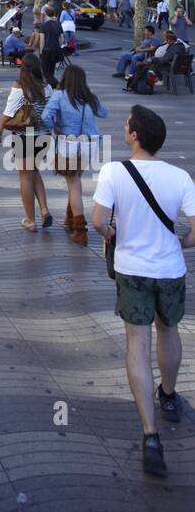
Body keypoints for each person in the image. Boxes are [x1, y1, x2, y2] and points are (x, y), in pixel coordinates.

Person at [91, 105, 195, 479]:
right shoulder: (180, 177)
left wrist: (111, 235)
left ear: (135, 135)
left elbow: (98, 221)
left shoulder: (113, 172)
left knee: (137, 342)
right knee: (168, 331)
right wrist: (182, 242)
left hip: (132, 269)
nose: (124, 129)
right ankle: (169, 394)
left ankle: (150, 435)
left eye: (126, 126)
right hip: (170, 269)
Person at [42, 64, 109, 245]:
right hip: (90, 145)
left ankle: (80, 229)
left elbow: (45, 116)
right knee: (76, 181)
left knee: (74, 185)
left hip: (69, 144)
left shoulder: (59, 95)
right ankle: (70, 218)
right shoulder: (89, 97)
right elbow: (104, 113)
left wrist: (55, 127)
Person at [0, 52, 53, 233]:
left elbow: (8, 112)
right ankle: (44, 210)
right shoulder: (47, 87)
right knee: (34, 172)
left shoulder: (20, 87)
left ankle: (30, 220)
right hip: (44, 136)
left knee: (25, 177)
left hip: (24, 137)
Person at [37, 5, 64, 89]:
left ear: (46, 14)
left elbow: (42, 39)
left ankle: (57, 85)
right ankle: (51, 87)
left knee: (45, 71)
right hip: (55, 49)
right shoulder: (58, 24)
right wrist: (59, 45)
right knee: (51, 70)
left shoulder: (44, 25)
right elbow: (62, 38)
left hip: (46, 49)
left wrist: (41, 51)